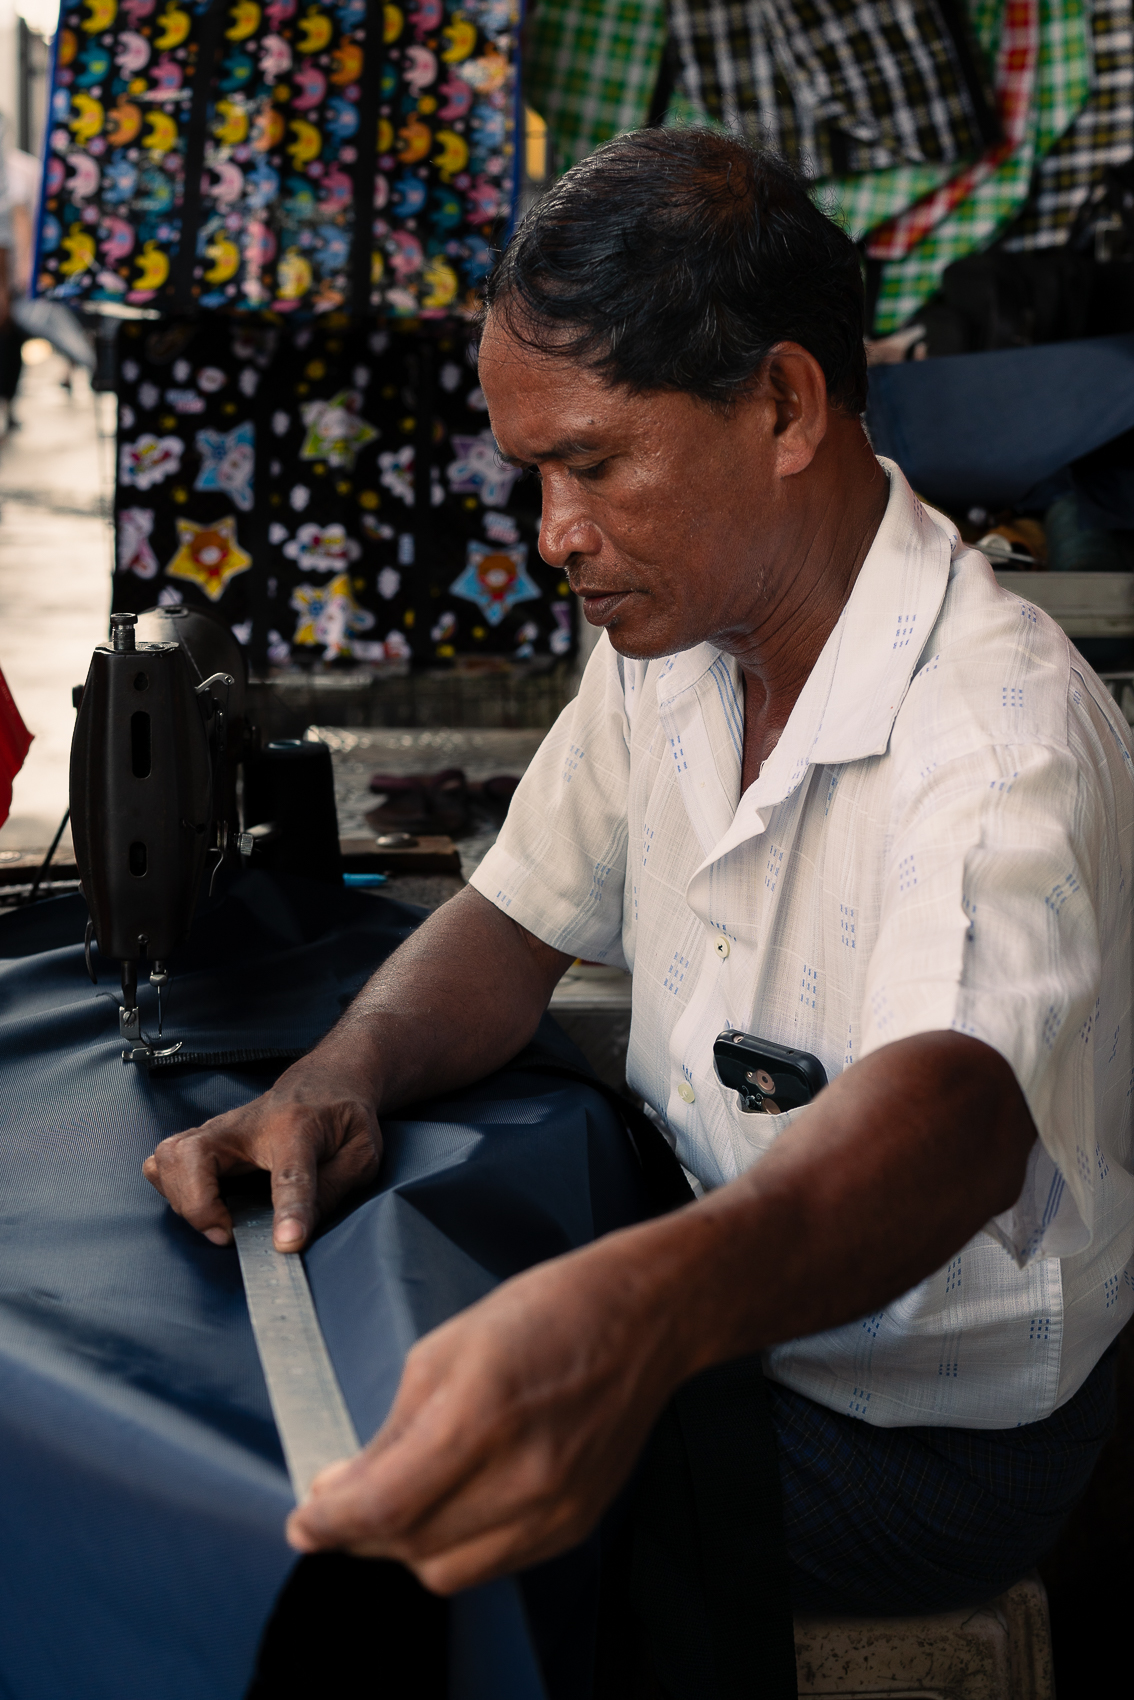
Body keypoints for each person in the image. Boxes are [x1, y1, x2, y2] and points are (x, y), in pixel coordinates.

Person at [145, 130, 1134, 1625]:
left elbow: (951, 1116)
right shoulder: (675, 642)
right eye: (535, 477)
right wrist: (337, 1075)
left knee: (379, 1545)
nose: (555, 537)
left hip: (910, 1437)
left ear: (785, 405)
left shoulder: (996, 734)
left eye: (593, 463)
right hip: (739, 1336)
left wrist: (640, 1309)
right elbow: (515, 909)